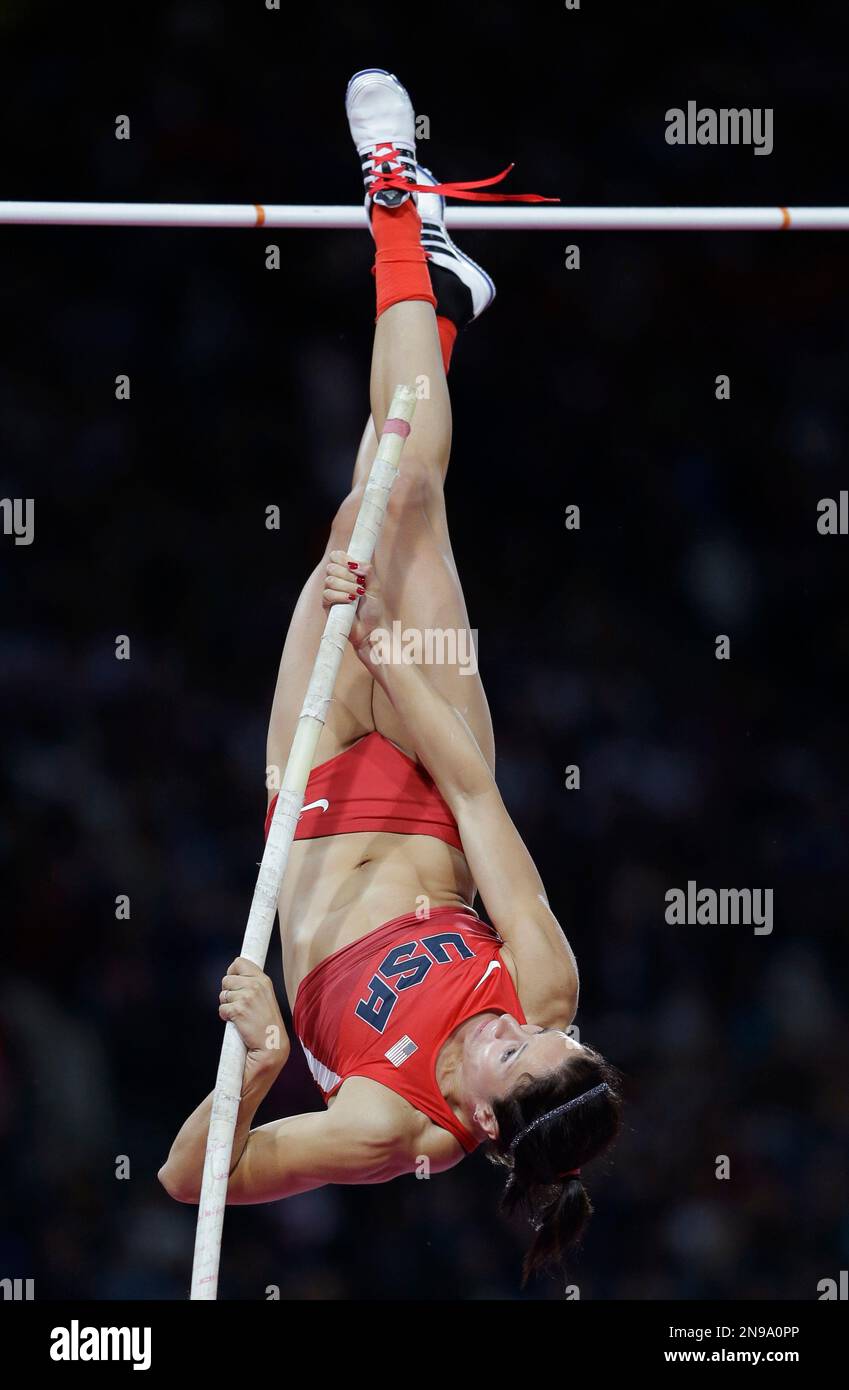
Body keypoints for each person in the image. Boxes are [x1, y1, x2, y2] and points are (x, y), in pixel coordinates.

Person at [159, 68, 621, 1281]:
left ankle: (445, 295)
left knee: (371, 492)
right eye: (551, 1035)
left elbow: (187, 1176)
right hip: (426, 767)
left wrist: (257, 1071)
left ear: (484, 1120)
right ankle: (395, 202)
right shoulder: (550, 986)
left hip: (305, 788)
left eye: (517, 1056)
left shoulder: (388, 1127)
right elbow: (479, 801)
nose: (525, 1025)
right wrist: (393, 666)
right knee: (397, 492)